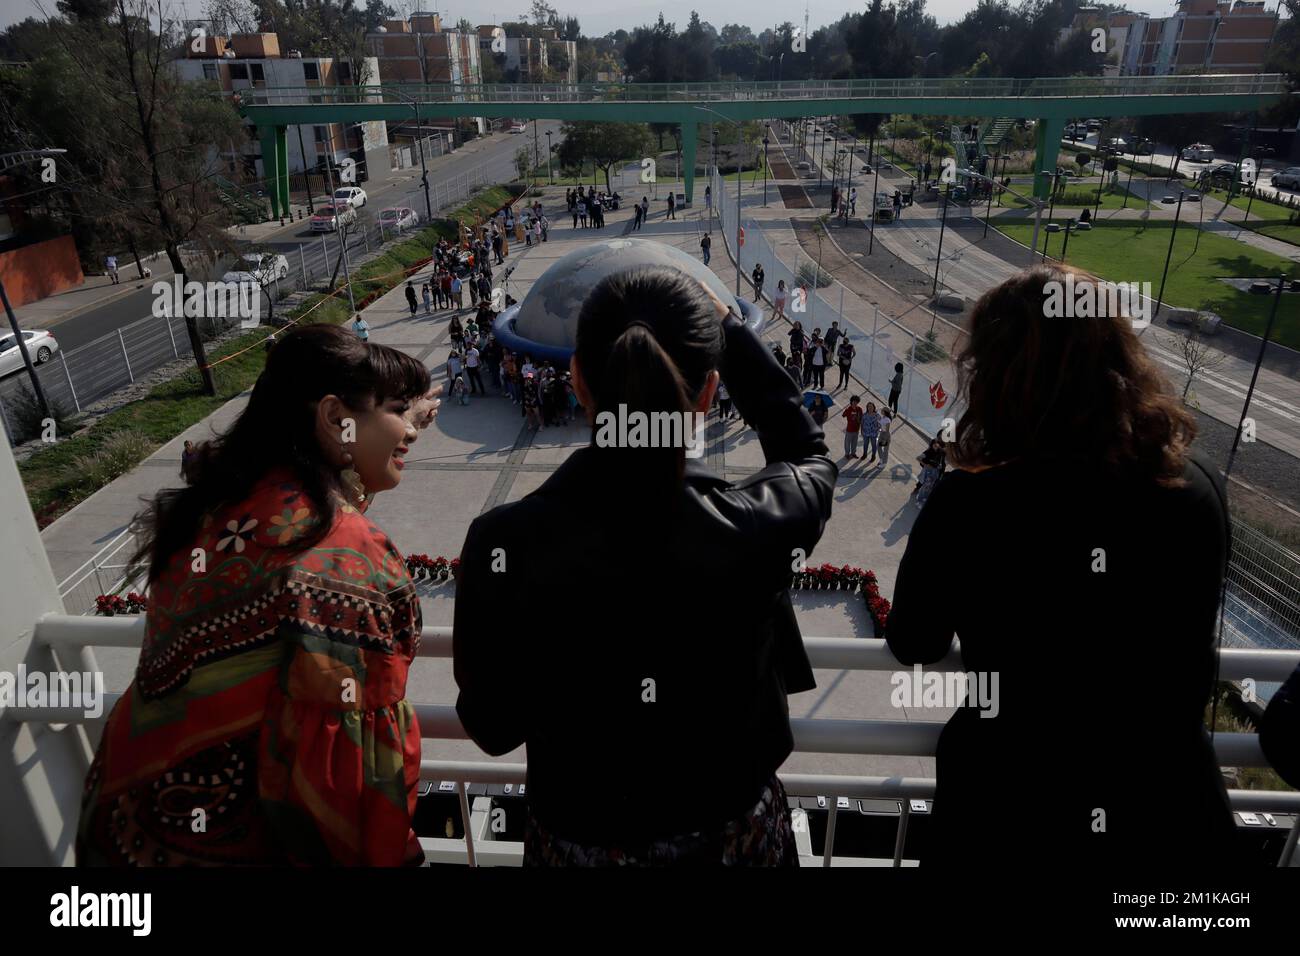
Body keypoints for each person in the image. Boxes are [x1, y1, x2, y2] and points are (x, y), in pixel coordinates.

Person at [453, 267, 835, 866]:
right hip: (735, 841)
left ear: (577, 381)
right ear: (709, 394)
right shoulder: (759, 525)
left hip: (576, 843)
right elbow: (807, 454)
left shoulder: (503, 541)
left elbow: (492, 726)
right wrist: (732, 332)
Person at [887, 265, 1238, 867]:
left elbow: (914, 640)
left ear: (999, 372)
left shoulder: (973, 499)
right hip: (1166, 811)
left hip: (1010, 811)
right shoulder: (1194, 483)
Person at [78, 324, 435, 866]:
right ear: (336, 418)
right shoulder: (342, 558)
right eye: (396, 410)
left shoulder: (218, 503)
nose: (408, 429)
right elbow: (355, 769)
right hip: (232, 844)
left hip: (125, 819)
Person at [841, 394, 862, 459]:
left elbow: (861, 418)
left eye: (856, 402)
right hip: (849, 429)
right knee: (847, 443)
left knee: (854, 443)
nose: (855, 403)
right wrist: (846, 410)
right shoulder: (849, 409)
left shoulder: (859, 409)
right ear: (851, 401)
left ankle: (853, 453)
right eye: (854, 401)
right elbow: (843, 415)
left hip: (856, 429)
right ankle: (847, 454)